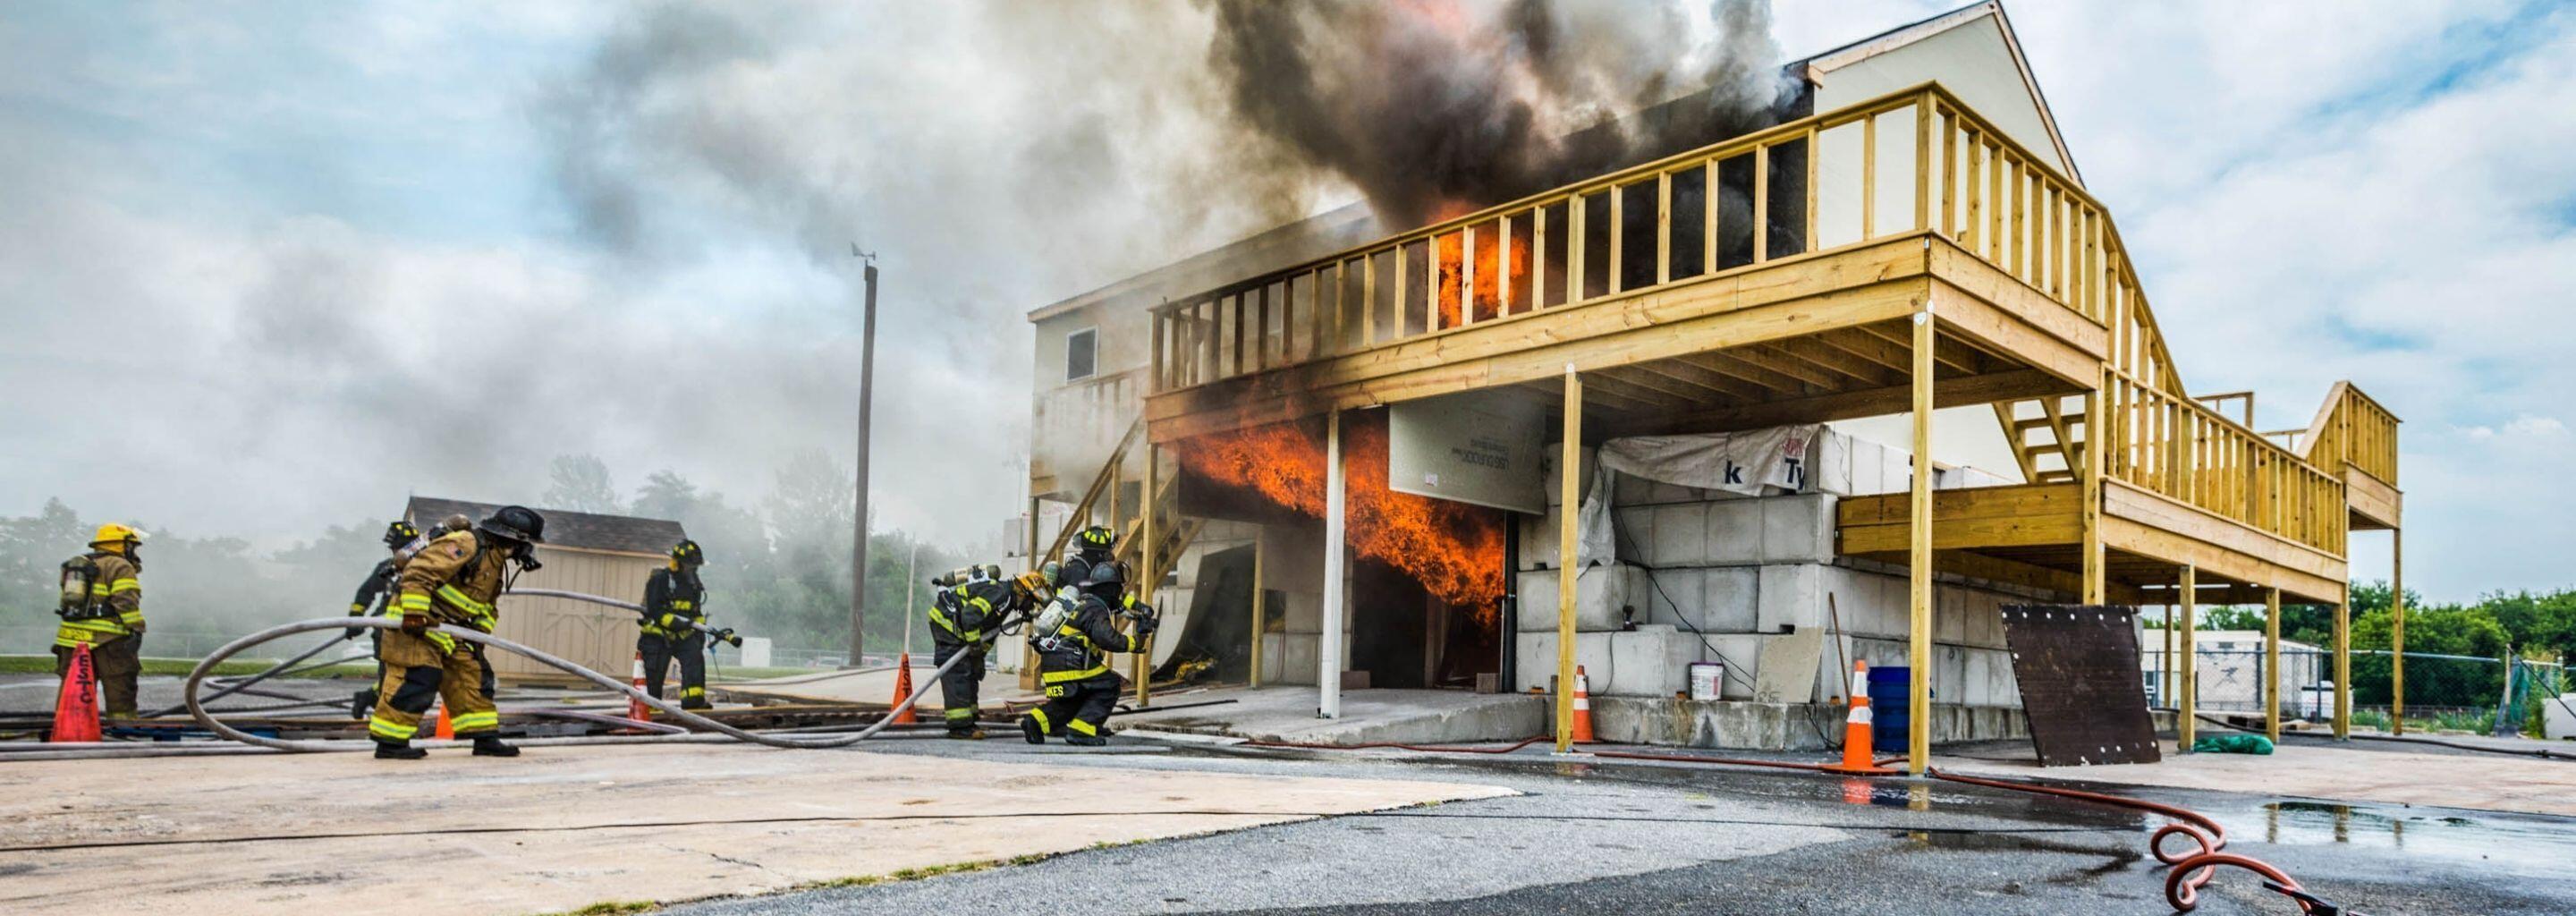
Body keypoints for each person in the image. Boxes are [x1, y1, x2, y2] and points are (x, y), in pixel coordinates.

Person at [369, 505, 545, 760]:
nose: (528, 550)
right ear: (513, 539)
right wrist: (415, 613)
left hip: (452, 631)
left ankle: (484, 738)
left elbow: (486, 607)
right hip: (417, 623)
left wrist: (478, 636)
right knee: (418, 677)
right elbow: (419, 573)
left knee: (474, 676)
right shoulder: (465, 543)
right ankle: (390, 743)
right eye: (527, 544)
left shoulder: (493, 560)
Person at [1019, 563, 1154, 747]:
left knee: (1073, 699)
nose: (1118, 595)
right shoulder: (1095, 608)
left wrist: (1140, 620)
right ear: (1110, 589)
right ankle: (1082, 730)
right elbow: (1108, 639)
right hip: (1072, 661)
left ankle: (1035, 722)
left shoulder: (1082, 603)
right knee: (1110, 685)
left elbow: (1115, 614)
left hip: (1053, 663)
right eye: (1116, 589)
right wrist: (1136, 642)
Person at [928, 563, 1053, 739]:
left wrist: (979, 656)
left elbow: (988, 630)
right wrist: (974, 645)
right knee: (958, 672)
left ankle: (969, 721)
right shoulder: (1000, 593)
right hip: (947, 625)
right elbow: (970, 616)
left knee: (972, 671)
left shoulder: (1007, 600)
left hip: (957, 627)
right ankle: (960, 728)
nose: (1031, 608)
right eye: (1032, 602)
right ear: (1023, 592)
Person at [54, 523, 148, 719]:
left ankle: (68, 727)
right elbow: (126, 602)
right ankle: (123, 728)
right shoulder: (120, 565)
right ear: (122, 545)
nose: (134, 551)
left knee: (73, 687)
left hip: (70, 638)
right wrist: (136, 629)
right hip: (108, 639)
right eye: (132, 546)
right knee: (120, 685)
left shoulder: (77, 564)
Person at [347, 520, 422, 719]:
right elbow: (366, 592)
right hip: (385, 630)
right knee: (390, 676)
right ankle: (383, 720)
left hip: (409, 629)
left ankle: (368, 699)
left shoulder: (423, 567)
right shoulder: (388, 568)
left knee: (403, 676)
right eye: (395, 548)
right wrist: (355, 619)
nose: (397, 551)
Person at [639, 539, 713, 710]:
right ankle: (652, 708)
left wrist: (699, 632)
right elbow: (655, 610)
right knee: (654, 673)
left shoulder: (693, 584)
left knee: (694, 658)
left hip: (683, 634)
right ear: (678, 562)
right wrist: (675, 623)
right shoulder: (660, 580)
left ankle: (693, 704)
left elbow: (696, 613)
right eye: (689, 566)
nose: (693, 570)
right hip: (657, 635)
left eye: (695, 567)